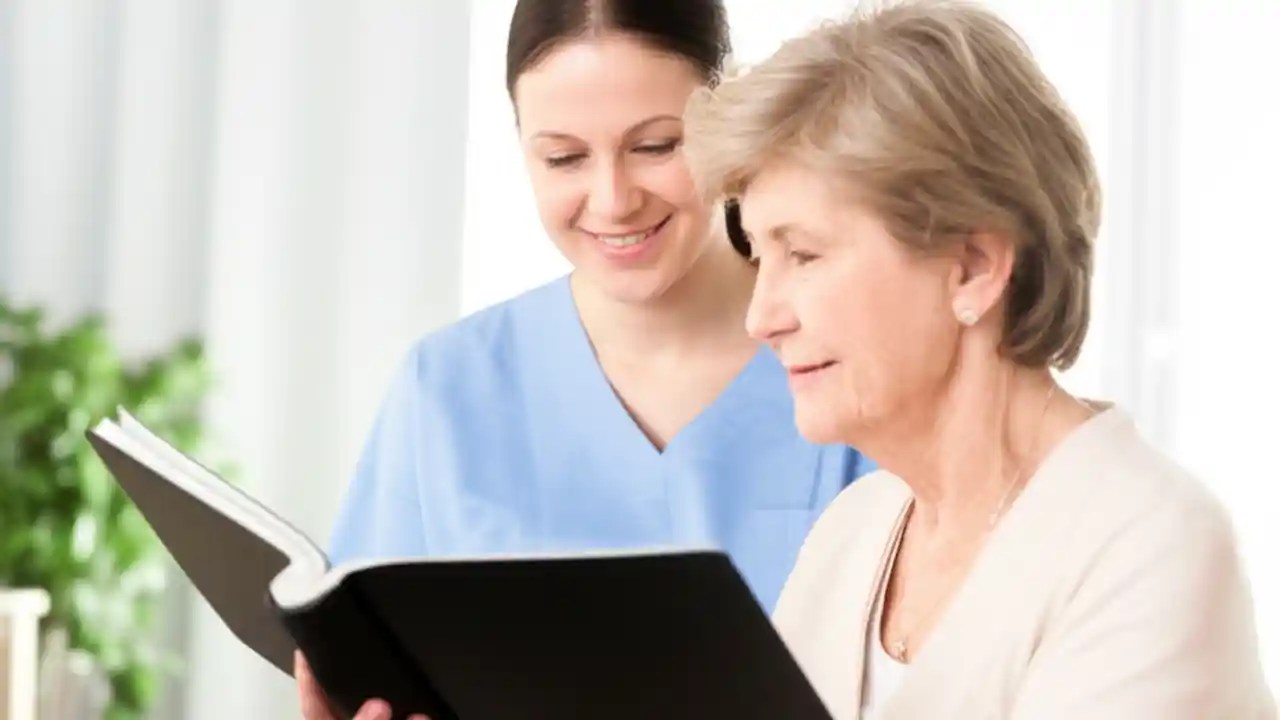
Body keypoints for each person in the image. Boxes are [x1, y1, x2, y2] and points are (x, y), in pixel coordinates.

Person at [681, 1, 1276, 718]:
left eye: (803, 254)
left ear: (973, 268)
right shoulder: (853, 532)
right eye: (758, 256)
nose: (761, 317)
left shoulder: (1147, 548)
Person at [296, 1, 874, 718]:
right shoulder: (446, 388)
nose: (613, 200)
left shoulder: (850, 362)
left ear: (727, 112)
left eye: (656, 146)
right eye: (564, 158)